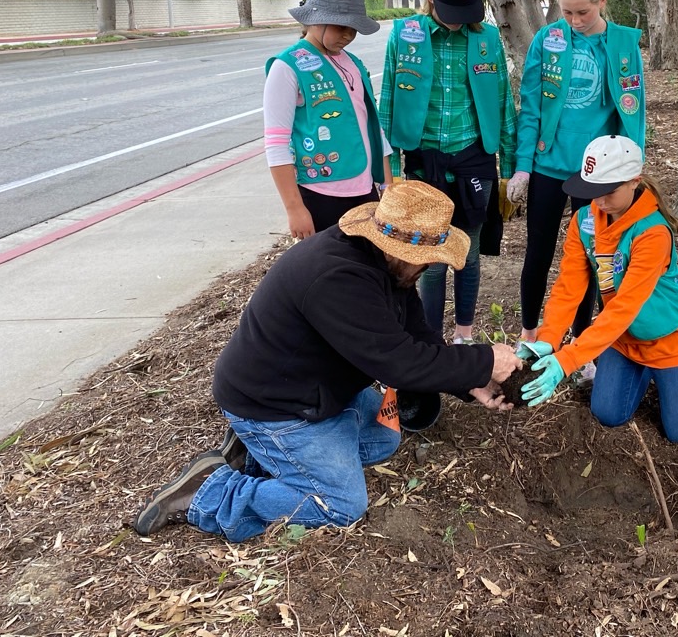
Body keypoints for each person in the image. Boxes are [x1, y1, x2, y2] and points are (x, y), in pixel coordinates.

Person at [130, 180, 524, 541]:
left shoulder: (387, 267)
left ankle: (257, 456)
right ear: (396, 247)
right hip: (275, 406)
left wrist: (469, 381)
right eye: (425, 257)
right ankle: (213, 491)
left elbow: (417, 337)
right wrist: (485, 360)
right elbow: (397, 364)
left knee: (385, 438)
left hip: (317, 393)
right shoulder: (338, 277)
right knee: (341, 505)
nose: (429, 265)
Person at [517, 136, 678, 443]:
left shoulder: (653, 233)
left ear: (634, 182)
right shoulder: (583, 222)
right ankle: (648, 373)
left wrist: (567, 360)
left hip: (669, 337)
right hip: (622, 338)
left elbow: (625, 307)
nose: (598, 201)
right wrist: (548, 338)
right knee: (609, 413)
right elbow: (569, 285)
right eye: (591, 191)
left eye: (607, 192)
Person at [379, 0, 517, 343]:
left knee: (467, 253)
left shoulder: (486, 38)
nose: (457, 19)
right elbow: (387, 104)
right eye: (450, 9)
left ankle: (464, 335)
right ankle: (431, 339)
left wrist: (509, 169)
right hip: (424, 160)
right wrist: (386, 171)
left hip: (474, 158)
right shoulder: (406, 35)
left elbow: (504, 103)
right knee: (431, 258)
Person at [508, 0, 646, 352]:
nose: (574, 20)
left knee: (591, 254)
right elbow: (530, 105)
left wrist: (630, 166)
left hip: (595, 171)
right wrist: (522, 167)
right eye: (566, 12)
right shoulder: (547, 40)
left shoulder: (621, 45)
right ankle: (529, 335)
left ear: (602, 0)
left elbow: (633, 111)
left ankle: (582, 341)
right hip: (548, 165)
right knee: (538, 250)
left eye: (583, 11)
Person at [264, 0, 392, 237]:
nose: (347, 35)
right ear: (313, 18)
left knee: (367, 272)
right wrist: (295, 209)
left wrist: (387, 185)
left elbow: (373, 127)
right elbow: (276, 145)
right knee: (330, 274)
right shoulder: (287, 67)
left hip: (365, 190)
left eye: (353, 28)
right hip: (320, 194)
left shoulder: (353, 63)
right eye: (340, 26)